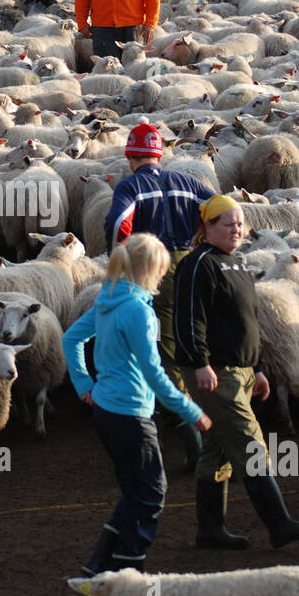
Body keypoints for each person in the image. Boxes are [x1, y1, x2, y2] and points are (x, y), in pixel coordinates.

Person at [174, 196, 299, 551]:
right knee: (250, 442)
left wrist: (258, 370)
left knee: (217, 451)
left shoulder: (237, 264)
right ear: (207, 227)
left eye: (240, 223)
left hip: (241, 371)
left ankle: (210, 531)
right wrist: (199, 363)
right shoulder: (198, 265)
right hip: (216, 372)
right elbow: (188, 318)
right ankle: (279, 524)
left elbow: (248, 323)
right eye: (227, 223)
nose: (236, 228)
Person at [63, 233, 212, 575]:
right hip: (130, 414)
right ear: (147, 268)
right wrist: (192, 412)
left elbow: (71, 338)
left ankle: (99, 565)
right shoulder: (138, 312)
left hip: (106, 410)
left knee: (136, 491)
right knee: (150, 494)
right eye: (161, 269)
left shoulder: (108, 298)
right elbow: (154, 373)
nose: (163, 275)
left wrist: (84, 383)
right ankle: (129, 570)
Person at [104, 119, 214, 466]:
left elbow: (117, 223)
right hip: (192, 264)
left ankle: (195, 444)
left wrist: (121, 262)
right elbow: (220, 208)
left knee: (162, 353)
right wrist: (201, 239)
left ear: (131, 156)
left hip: (154, 269)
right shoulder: (188, 181)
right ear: (159, 153)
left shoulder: (130, 186)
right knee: (197, 336)